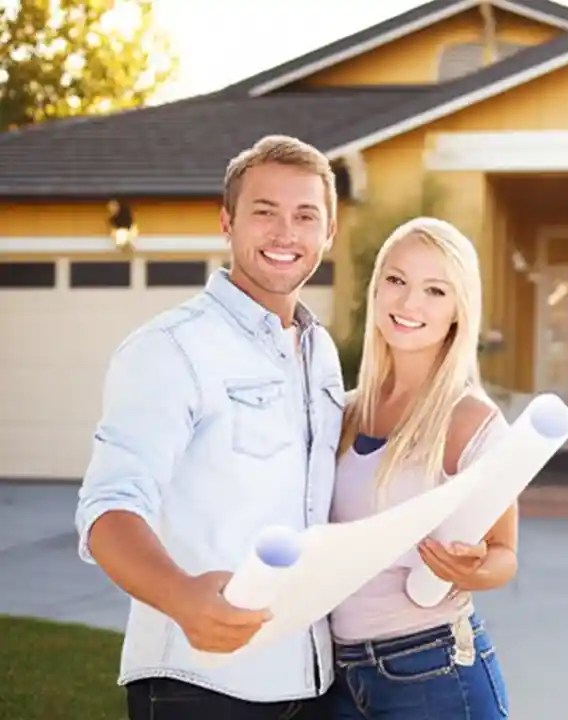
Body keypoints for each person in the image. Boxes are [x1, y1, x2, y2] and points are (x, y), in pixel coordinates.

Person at [74, 134, 346, 719]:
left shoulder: (320, 351)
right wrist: (182, 598)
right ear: (227, 222)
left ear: (330, 233)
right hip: (199, 684)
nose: (284, 233)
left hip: (311, 682)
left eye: (305, 216)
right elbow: (108, 509)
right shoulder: (170, 349)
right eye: (264, 212)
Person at [327, 216, 518, 720]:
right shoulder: (341, 412)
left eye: (435, 290)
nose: (410, 304)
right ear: (376, 288)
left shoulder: (469, 419)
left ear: (459, 310)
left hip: (433, 671)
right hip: (336, 675)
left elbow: (504, 555)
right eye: (397, 280)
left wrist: (472, 567)